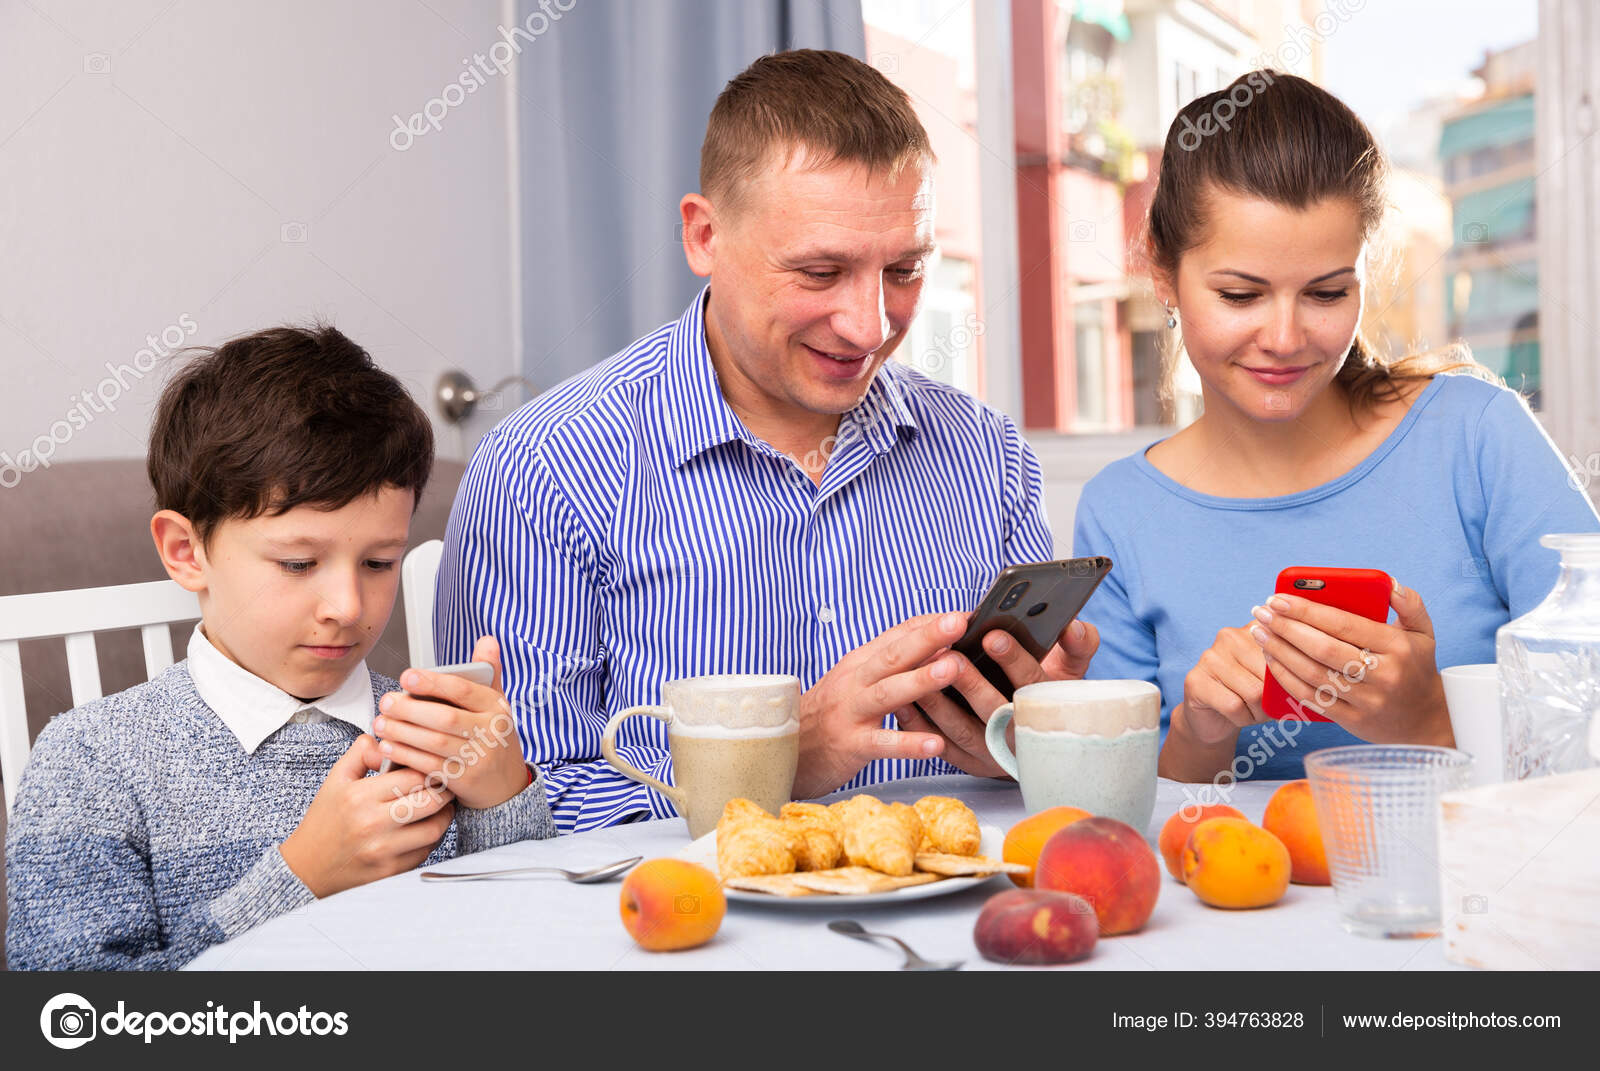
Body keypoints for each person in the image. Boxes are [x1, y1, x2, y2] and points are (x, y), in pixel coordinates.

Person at [435, 49, 1100, 832]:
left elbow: (1043, 787)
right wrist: (782, 761)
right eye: (821, 272)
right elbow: (505, 819)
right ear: (705, 235)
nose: (870, 325)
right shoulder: (545, 470)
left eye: (904, 270)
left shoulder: (986, 454)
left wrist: (1036, 747)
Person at [1072, 72, 1600, 785]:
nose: (1285, 338)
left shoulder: (1475, 437)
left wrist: (1430, 724)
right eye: (1240, 294)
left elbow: (1586, 739)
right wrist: (1201, 732)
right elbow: (1133, 811)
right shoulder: (1121, 512)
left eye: (1326, 292)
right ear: (1163, 274)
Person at [5, 325, 555, 970]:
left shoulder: (433, 737)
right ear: (187, 552)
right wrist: (301, 879)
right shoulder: (94, 763)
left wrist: (504, 798)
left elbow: (529, 954)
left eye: (379, 563)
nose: (348, 608)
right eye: (298, 564)